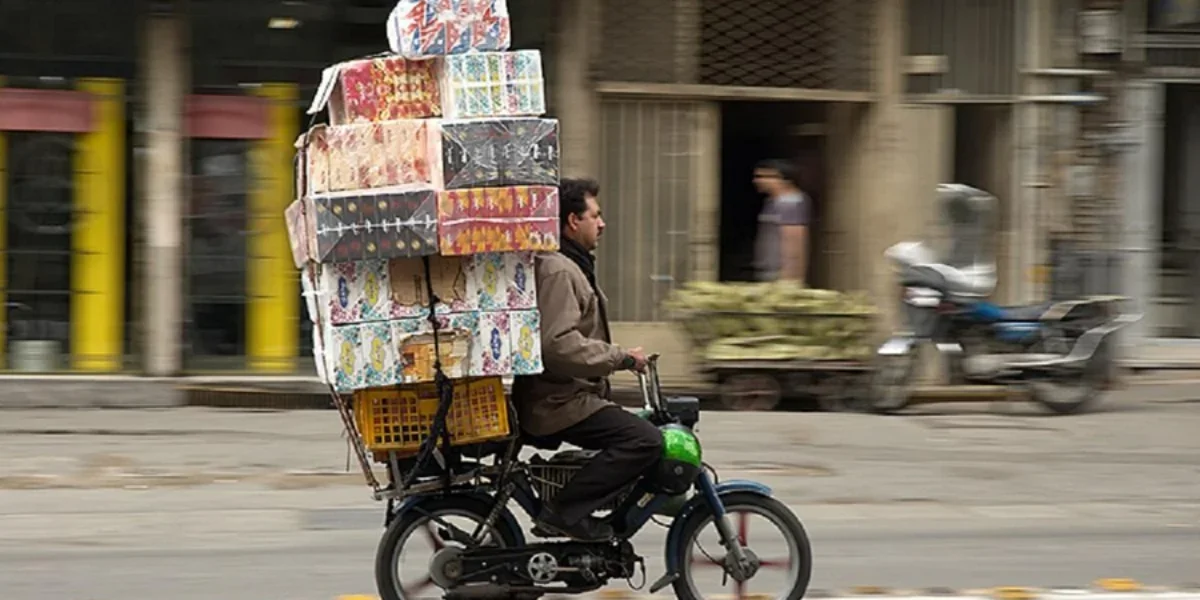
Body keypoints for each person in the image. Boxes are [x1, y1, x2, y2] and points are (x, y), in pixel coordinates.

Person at [511, 177, 662, 542]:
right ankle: (563, 513)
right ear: (572, 221)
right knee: (645, 441)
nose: (603, 223)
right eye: (596, 215)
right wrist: (620, 358)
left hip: (568, 398)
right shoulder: (560, 270)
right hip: (557, 402)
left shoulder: (572, 266)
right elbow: (558, 346)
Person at [751, 159, 810, 284]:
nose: (757, 181)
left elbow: (794, 239)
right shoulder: (772, 201)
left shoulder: (791, 202)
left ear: (784, 180)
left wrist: (791, 278)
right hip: (768, 269)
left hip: (779, 274)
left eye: (763, 177)